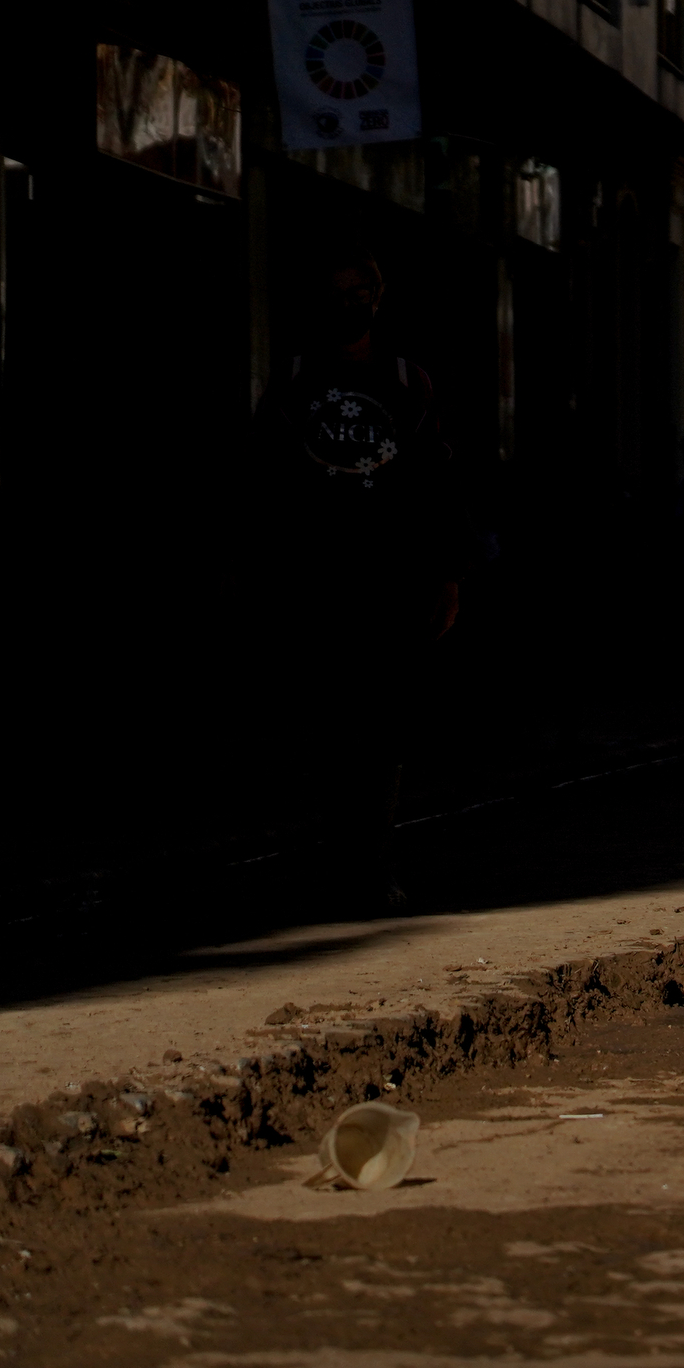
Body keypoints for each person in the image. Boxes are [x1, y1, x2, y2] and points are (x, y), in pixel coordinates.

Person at [255, 251, 466, 908]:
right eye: (335, 292)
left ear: (378, 297)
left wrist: (447, 573)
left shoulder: (408, 382)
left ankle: (371, 863)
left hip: (389, 582)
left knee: (380, 727)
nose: (348, 304)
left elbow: (438, 483)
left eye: (358, 293)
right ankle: (335, 858)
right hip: (312, 581)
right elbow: (256, 481)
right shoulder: (291, 381)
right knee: (322, 725)